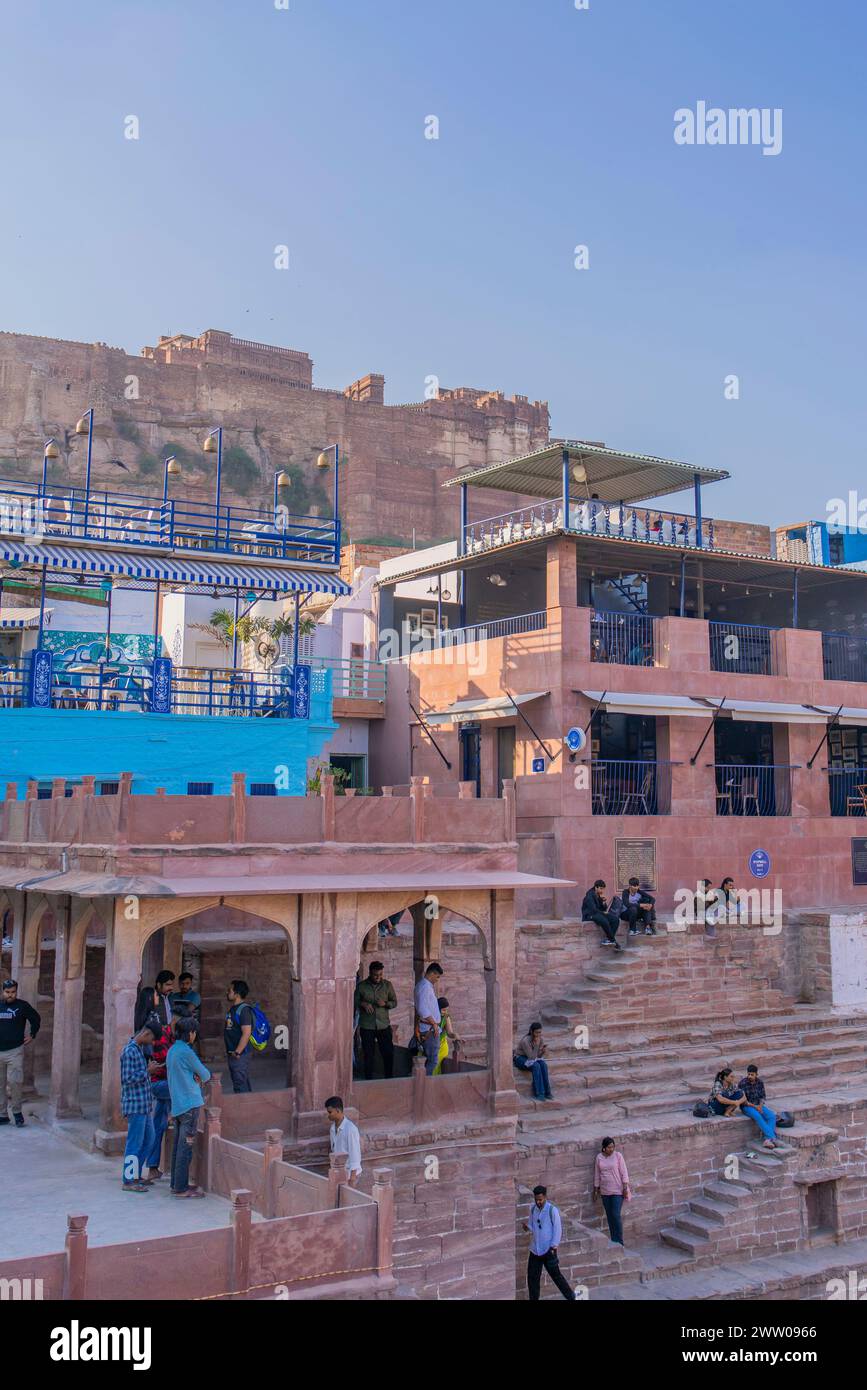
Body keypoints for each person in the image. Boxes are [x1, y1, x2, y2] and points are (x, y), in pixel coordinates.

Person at [165, 1014, 210, 1197]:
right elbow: (205, 1074)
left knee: (178, 1145)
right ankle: (181, 1189)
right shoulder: (187, 1052)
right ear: (190, 1034)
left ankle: (177, 1184)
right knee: (185, 1146)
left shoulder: (172, 1051)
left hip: (177, 1104)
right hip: (190, 1104)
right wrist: (197, 1076)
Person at [120, 1016, 161, 1192]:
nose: (151, 1042)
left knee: (149, 1139)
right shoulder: (129, 1051)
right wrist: (147, 1071)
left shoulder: (138, 1050)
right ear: (146, 1033)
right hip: (135, 1105)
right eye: (152, 1039)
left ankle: (135, 1174)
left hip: (144, 1105)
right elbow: (127, 1079)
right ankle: (128, 1180)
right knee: (134, 1143)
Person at [523, 1185, 576, 1301]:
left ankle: (571, 1297)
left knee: (557, 1277)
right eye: (536, 1199)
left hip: (548, 1250)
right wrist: (527, 1227)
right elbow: (532, 1226)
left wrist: (553, 1247)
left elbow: (558, 1230)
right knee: (532, 1279)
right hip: (535, 1250)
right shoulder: (533, 1209)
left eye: (540, 1199)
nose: (538, 1202)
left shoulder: (552, 1210)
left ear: (545, 1197)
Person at [0, 978, 41, 1128]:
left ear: (16, 992)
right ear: (3, 992)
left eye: (13, 992)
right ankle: (3, 1115)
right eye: (7, 992)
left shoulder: (22, 1006)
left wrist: (32, 1034)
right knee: (0, 1085)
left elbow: (35, 1018)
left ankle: (17, 1113)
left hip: (15, 1052)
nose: (10, 995)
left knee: (15, 1083)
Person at [353, 961, 397, 1080]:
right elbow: (354, 1001)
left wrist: (385, 1004)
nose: (378, 978)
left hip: (383, 1025)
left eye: (381, 975)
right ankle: (369, 1080)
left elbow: (394, 1002)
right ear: (370, 973)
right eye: (376, 975)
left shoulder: (387, 985)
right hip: (367, 1026)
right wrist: (363, 1004)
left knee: (388, 1053)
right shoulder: (361, 986)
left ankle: (389, 1079)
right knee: (368, 1054)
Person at [593, 1137, 631, 1245]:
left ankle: (620, 1242)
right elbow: (597, 1174)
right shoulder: (599, 1157)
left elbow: (624, 1172)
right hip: (605, 1191)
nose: (611, 1149)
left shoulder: (618, 1156)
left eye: (613, 1147)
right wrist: (595, 1190)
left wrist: (625, 1188)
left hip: (618, 1191)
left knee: (615, 1215)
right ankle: (614, 1241)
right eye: (609, 1147)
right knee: (610, 1217)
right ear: (604, 1148)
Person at [224, 980, 255, 1093]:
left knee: (239, 1083)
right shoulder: (234, 1009)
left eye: (230, 990)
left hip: (240, 1054)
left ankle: (243, 1109)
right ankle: (248, 1107)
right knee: (241, 1081)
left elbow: (246, 1033)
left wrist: (237, 1052)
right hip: (234, 1053)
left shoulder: (244, 1010)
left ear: (236, 993)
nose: (227, 992)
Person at [739, 1063, 779, 1149]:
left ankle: (767, 1139)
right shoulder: (743, 1083)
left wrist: (760, 1106)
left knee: (771, 1116)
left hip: (758, 1105)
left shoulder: (760, 1082)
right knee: (758, 1116)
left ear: (756, 1074)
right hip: (747, 1106)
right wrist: (756, 1107)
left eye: (752, 1074)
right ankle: (772, 1138)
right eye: (748, 1074)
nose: (750, 1076)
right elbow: (743, 1101)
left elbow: (763, 1097)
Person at [414, 962, 444, 1075]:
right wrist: (434, 1024)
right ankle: (424, 1085)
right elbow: (422, 1009)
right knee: (432, 1060)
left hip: (428, 1027)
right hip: (429, 1029)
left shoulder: (424, 986)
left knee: (428, 1059)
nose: (437, 980)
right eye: (437, 977)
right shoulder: (424, 987)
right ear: (432, 973)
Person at [325, 1095, 362, 1187]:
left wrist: (352, 1179)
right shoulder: (332, 1128)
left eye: (330, 1112)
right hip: (339, 1172)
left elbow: (355, 1155)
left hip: (350, 1174)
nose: (328, 1115)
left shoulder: (350, 1129)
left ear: (338, 1111)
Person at [514, 1022, 553, 1100]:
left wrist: (542, 1051)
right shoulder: (526, 1041)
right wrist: (536, 1045)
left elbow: (537, 1057)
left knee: (543, 1064)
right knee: (536, 1065)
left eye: (540, 1032)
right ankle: (539, 1093)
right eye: (536, 1032)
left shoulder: (540, 1039)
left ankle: (547, 1092)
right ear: (531, 1031)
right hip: (520, 1058)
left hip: (530, 1058)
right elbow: (532, 1057)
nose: (538, 1034)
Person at [581, 881, 622, 951]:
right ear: (596, 887)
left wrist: (603, 902)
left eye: (603, 889)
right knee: (604, 921)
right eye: (600, 888)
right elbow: (593, 910)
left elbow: (603, 908)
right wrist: (603, 913)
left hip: (598, 913)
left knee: (615, 920)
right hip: (589, 915)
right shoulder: (589, 896)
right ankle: (613, 940)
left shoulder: (598, 895)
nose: (602, 890)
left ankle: (609, 939)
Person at [433, 997, 462, 1075]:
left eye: (446, 1010)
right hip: (430, 1044)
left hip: (441, 1046)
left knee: (436, 1065)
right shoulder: (430, 1017)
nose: (445, 1012)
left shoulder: (446, 1017)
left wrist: (455, 1035)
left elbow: (449, 1033)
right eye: (443, 1010)